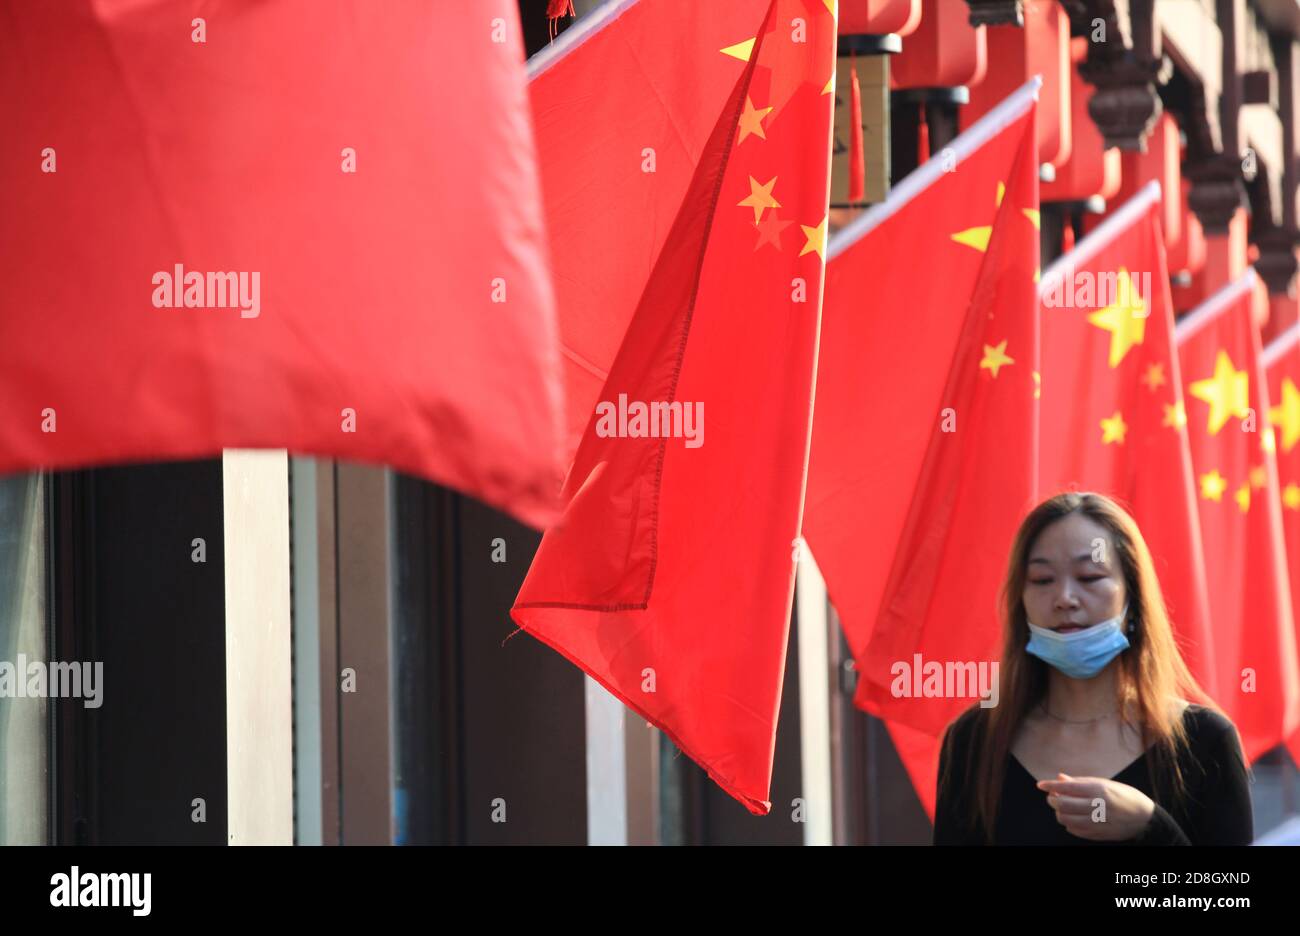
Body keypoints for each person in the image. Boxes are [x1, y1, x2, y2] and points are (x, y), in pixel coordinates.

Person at [933, 491, 1253, 845]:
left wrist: (1151, 825)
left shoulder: (1204, 740)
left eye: (1088, 577)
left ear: (1132, 599)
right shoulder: (974, 742)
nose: (1065, 598)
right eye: (1042, 580)